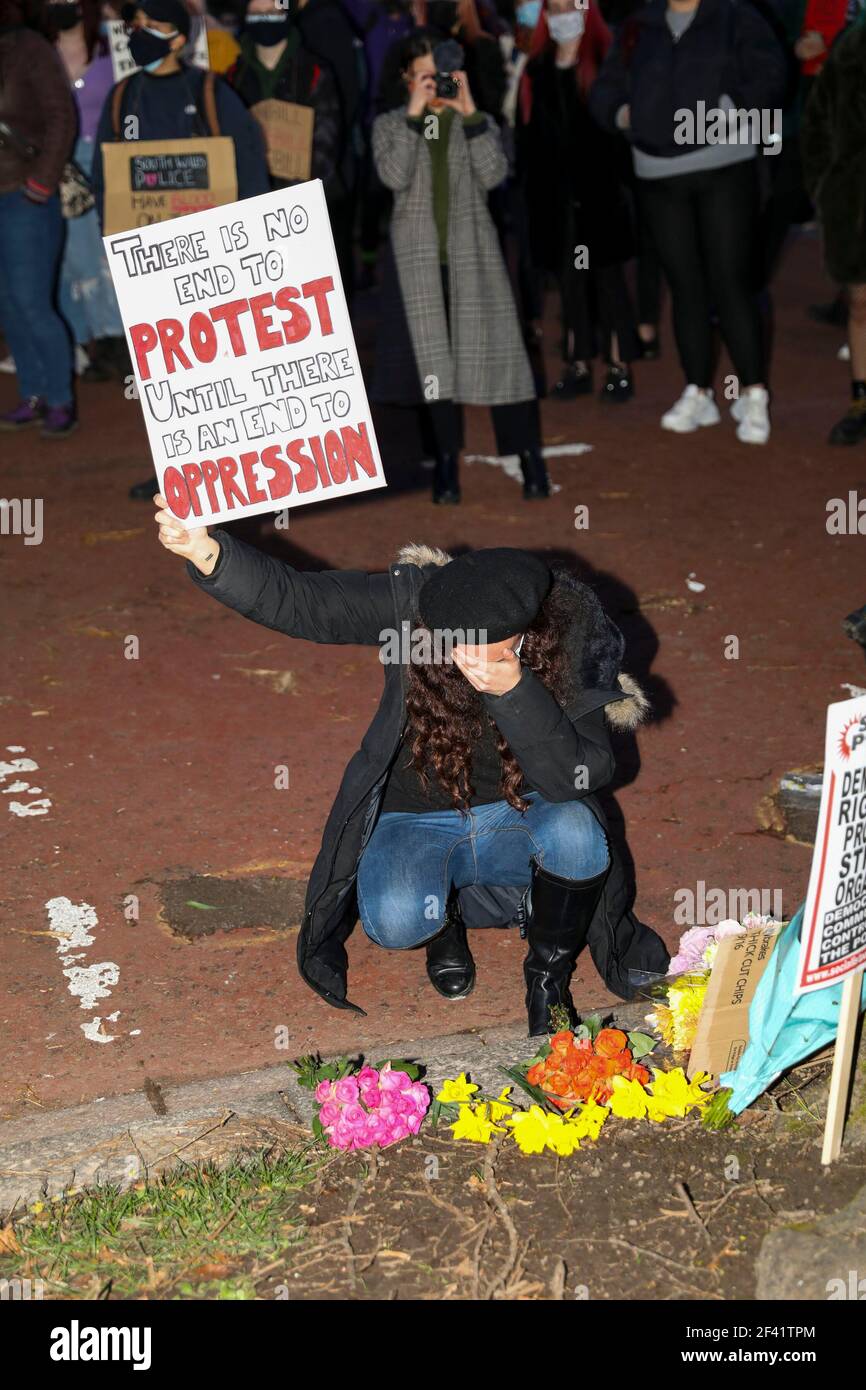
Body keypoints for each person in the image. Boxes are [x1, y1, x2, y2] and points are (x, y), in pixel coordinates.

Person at [153, 504, 671, 1031]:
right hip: (417, 816)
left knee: (581, 835)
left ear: (523, 632)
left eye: (477, 641)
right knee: (396, 921)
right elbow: (305, 604)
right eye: (450, 638)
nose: (459, 652)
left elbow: (574, 778)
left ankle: (547, 982)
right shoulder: (415, 606)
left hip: (524, 810)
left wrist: (515, 691)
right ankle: (444, 920)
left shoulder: (569, 631)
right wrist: (208, 551)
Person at [91, 0, 269, 497]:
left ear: (177, 37)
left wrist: (246, 237)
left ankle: (228, 469)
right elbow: (108, 175)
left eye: (152, 25)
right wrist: (113, 236)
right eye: (137, 25)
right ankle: (175, 472)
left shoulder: (211, 93)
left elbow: (249, 164)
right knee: (160, 374)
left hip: (208, 258)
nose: (140, 33)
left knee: (216, 369)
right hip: (147, 260)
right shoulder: (122, 98)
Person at [591, 0, 788, 443]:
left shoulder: (738, 17)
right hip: (657, 173)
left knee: (731, 280)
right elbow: (605, 88)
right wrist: (624, 115)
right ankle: (697, 390)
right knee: (684, 286)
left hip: (724, 167)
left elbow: (771, 78)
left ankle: (754, 393)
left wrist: (728, 110)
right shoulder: (635, 26)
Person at [371, 33, 550, 502]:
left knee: (503, 356)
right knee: (434, 368)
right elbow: (393, 176)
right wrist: (415, 113)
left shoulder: (479, 121)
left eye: (442, 75)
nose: (435, 85)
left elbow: (494, 174)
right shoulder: (390, 125)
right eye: (425, 75)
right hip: (417, 260)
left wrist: (468, 111)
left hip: (474, 253)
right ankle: (445, 463)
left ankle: (529, 456)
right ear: (408, 77)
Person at [517, 0, 638, 402]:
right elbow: (531, 134)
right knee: (569, 280)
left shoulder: (607, 58)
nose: (562, 13)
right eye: (554, 7)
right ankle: (578, 360)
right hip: (555, 194)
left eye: (571, 4)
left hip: (599, 191)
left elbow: (615, 134)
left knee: (606, 279)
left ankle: (618, 365)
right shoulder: (538, 65)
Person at [0, 0, 77, 437]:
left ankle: (62, 399)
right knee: (9, 306)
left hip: (24, 196)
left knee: (31, 303)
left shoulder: (27, 46)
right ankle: (34, 393)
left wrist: (41, 185)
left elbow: (61, 117)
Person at [50, 0, 128, 383]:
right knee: (75, 254)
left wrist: (118, 23)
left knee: (109, 249)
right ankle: (92, 336)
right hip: (63, 165)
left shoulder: (110, 50)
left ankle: (120, 336)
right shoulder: (42, 54)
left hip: (107, 158)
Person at [801, 10, 866, 445]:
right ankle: (861, 401)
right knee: (860, 301)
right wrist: (827, 192)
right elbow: (817, 126)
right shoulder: (850, 46)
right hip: (855, 201)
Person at [225, 0, 342, 193]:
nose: (263, 19)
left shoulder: (314, 73)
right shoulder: (233, 77)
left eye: (271, 12)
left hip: (303, 201)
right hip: (250, 200)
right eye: (255, 13)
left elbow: (325, 145)